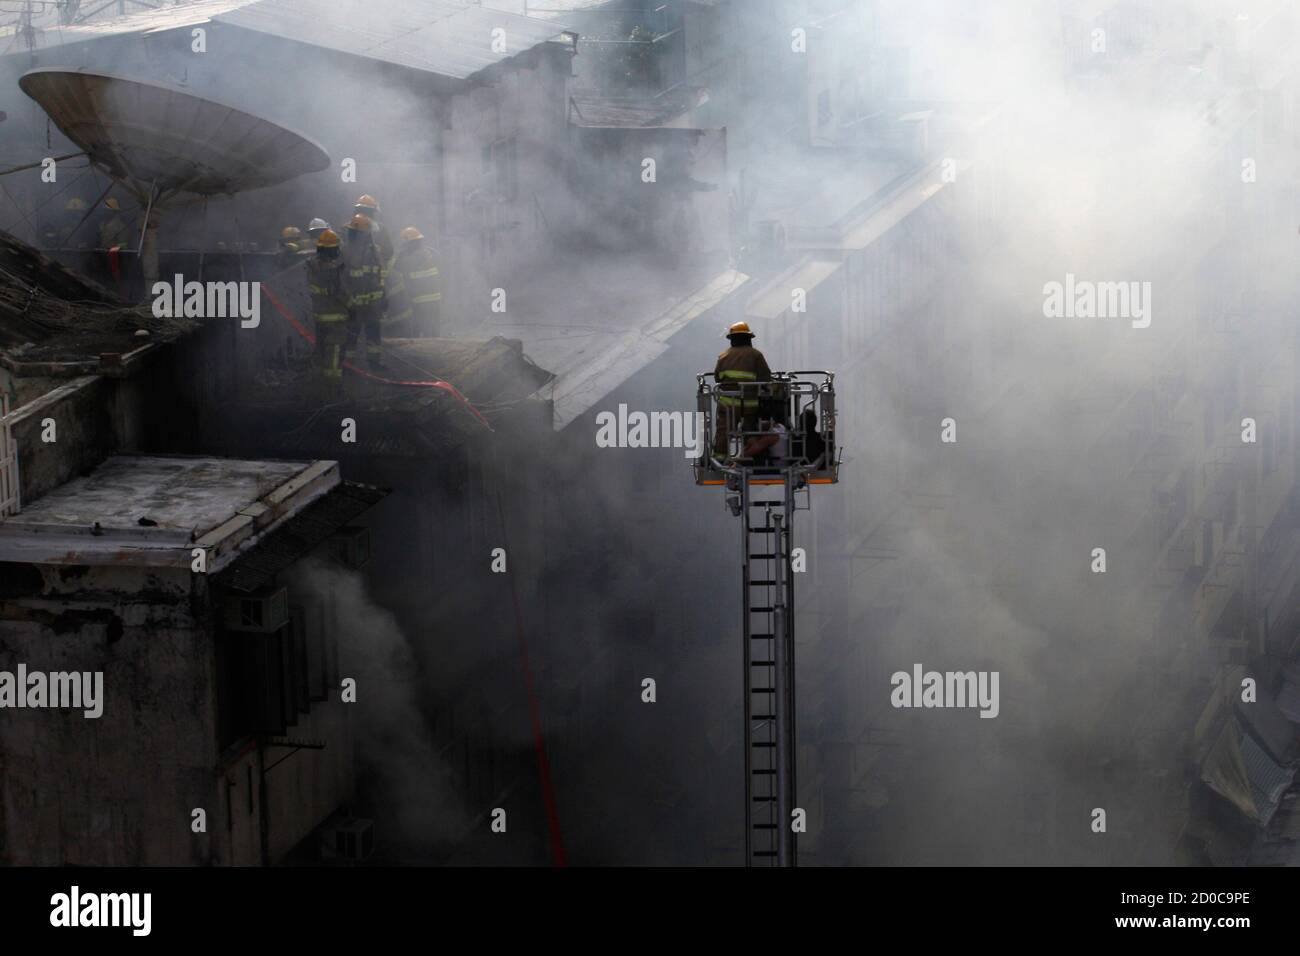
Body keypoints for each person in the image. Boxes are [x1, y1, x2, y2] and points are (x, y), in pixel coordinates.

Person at [713, 320, 771, 456]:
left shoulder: (723, 357)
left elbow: (717, 378)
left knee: (723, 434)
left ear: (732, 339)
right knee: (751, 433)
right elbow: (765, 378)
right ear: (748, 338)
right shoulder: (756, 355)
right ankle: (748, 458)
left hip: (728, 406)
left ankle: (720, 461)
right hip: (750, 405)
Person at [306, 229, 349, 399]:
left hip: (319, 316)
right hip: (335, 318)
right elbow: (340, 294)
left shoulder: (311, 265)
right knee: (335, 353)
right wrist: (352, 307)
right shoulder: (332, 270)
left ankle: (319, 387)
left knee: (322, 352)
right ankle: (333, 391)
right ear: (332, 249)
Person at [342, 213, 386, 368]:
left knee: (373, 334)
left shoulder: (374, 250)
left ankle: (374, 362)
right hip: (355, 304)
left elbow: (380, 273)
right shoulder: (346, 251)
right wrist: (348, 302)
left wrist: (383, 294)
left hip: (372, 303)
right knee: (351, 336)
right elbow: (343, 279)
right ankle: (349, 366)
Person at [384, 226, 443, 337]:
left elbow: (394, 270)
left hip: (418, 302)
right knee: (434, 332)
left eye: (404, 243)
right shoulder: (433, 253)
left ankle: (419, 353)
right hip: (436, 300)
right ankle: (434, 352)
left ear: (408, 243)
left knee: (417, 331)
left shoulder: (406, 258)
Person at [352, 194, 394, 276]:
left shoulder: (346, 228)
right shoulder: (381, 229)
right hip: (376, 276)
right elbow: (389, 252)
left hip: (353, 277)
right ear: (372, 212)